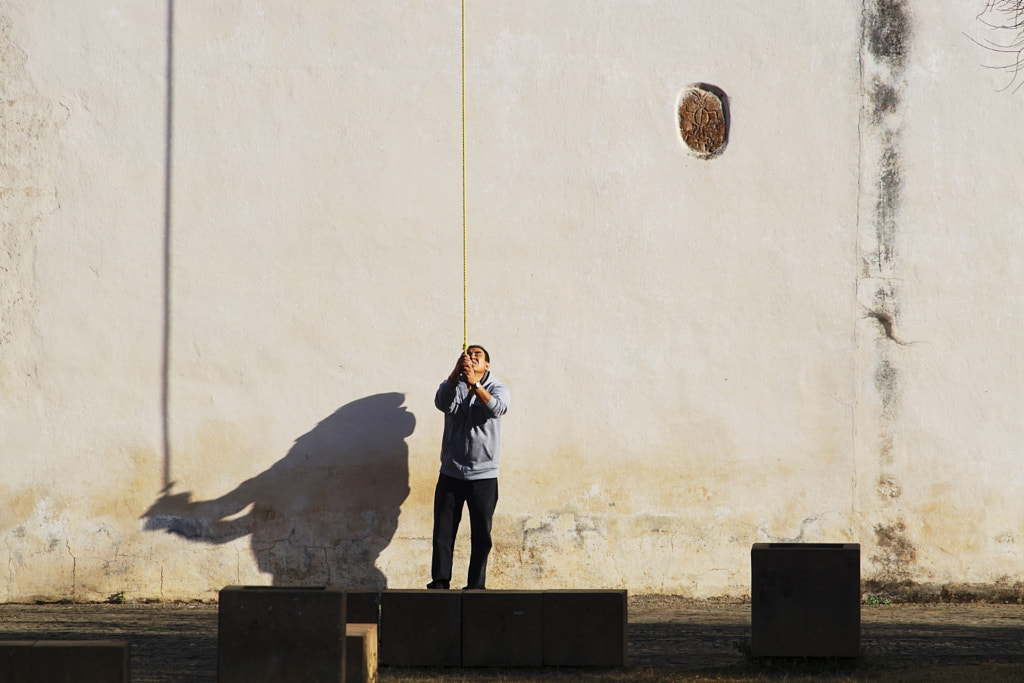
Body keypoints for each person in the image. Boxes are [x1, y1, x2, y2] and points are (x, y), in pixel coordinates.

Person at [428, 345, 510, 590]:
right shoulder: (454, 386)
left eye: (478, 356)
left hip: (484, 475)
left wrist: (475, 385)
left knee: (481, 535)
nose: (472, 358)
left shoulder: (498, 388)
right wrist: (455, 376)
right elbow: (441, 403)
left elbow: (496, 409)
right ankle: (440, 581)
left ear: (487, 365)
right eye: (469, 354)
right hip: (451, 472)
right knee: (443, 531)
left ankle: (476, 586)